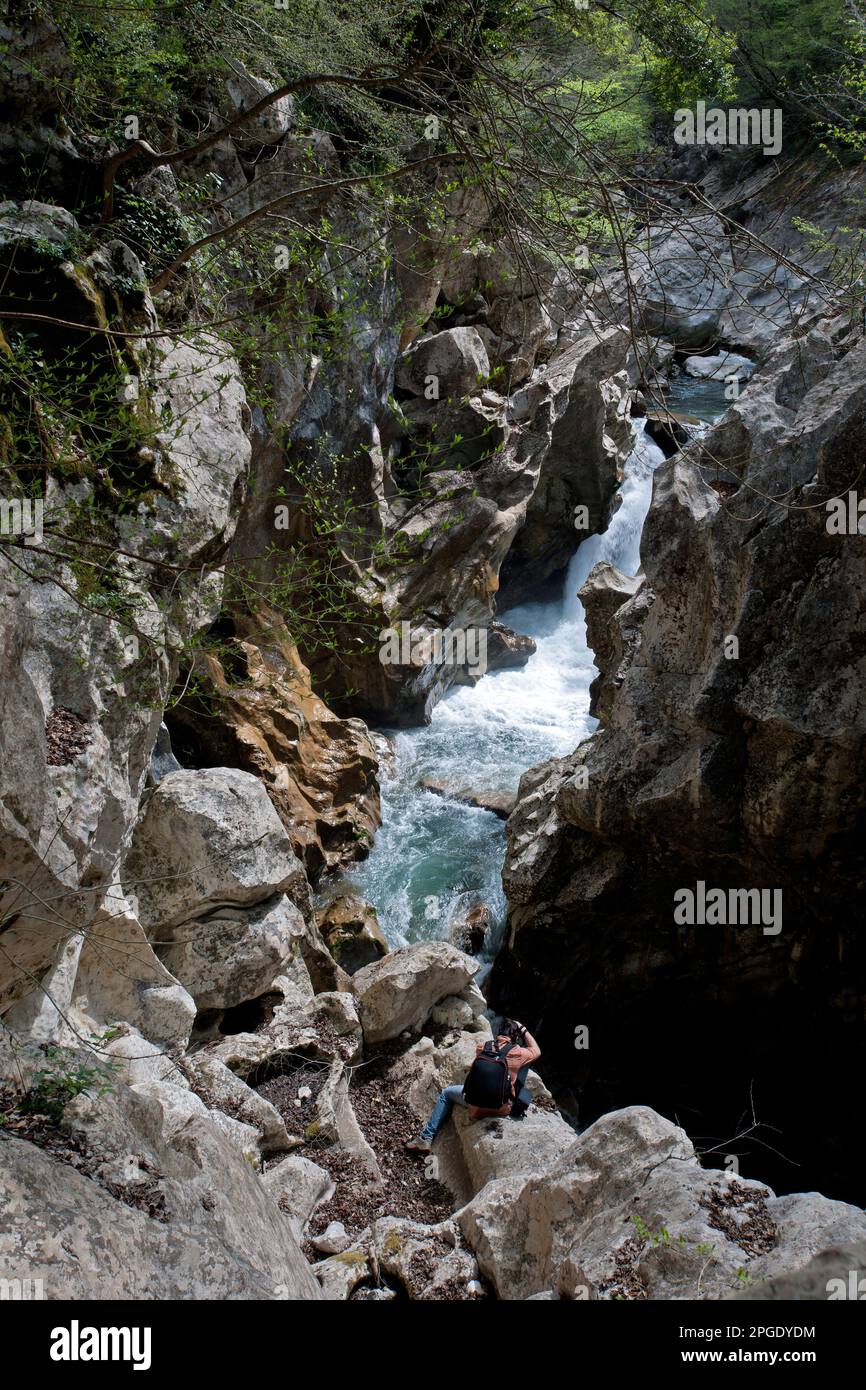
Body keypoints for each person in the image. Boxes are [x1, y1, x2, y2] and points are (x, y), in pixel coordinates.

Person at [405, 1018, 541, 1154]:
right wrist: (522, 1028)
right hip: (501, 1108)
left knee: (446, 1093)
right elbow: (536, 1050)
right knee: (524, 1066)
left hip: (474, 1108)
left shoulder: (482, 1047)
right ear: (515, 1037)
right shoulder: (518, 1053)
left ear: (498, 1033)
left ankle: (426, 1138)